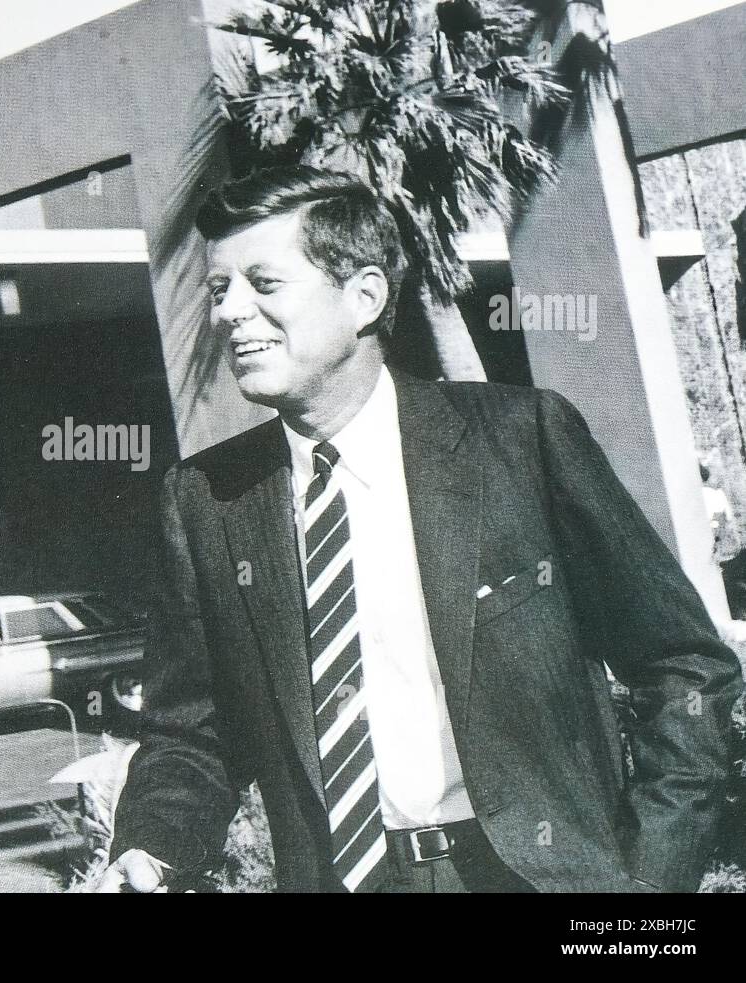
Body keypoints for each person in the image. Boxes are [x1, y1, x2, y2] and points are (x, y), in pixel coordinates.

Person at [99, 166, 744, 893]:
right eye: (219, 289)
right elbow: (191, 734)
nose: (229, 312)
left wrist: (647, 880)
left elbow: (684, 665)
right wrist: (150, 846)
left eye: (264, 283)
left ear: (365, 296)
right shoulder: (207, 500)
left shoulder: (522, 441)